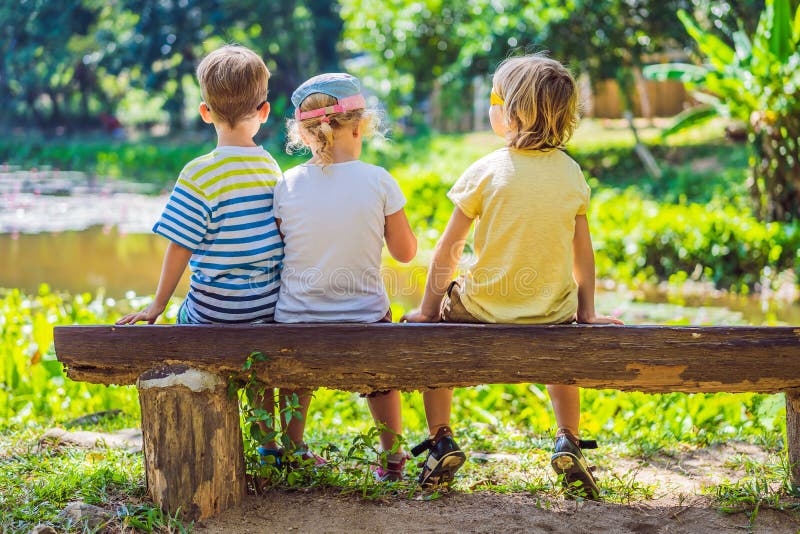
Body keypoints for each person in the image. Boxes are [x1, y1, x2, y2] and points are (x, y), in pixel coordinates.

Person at [401, 54, 623, 498]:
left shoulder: (486, 170)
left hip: (481, 309)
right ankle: (568, 438)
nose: (490, 105)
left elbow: (449, 249)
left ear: (513, 113)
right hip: (551, 313)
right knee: (564, 349)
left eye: (494, 98)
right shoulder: (571, 173)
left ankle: (441, 438)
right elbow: (584, 252)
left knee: (436, 341)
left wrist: (429, 310)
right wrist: (587, 312)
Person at [115, 45, 306, 461]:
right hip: (266, 308)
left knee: (192, 312)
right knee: (259, 356)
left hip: (214, 312)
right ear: (265, 111)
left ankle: (256, 441)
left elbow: (180, 245)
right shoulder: (271, 168)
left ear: (205, 112)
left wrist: (157, 304)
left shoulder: (199, 172)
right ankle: (270, 445)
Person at [273, 73, 417, 482]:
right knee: (382, 376)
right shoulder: (379, 180)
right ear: (359, 126)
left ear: (304, 134)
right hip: (365, 320)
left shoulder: (287, 183)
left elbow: (287, 245)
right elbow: (406, 254)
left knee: (293, 377)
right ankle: (392, 458)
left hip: (297, 321)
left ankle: (295, 447)